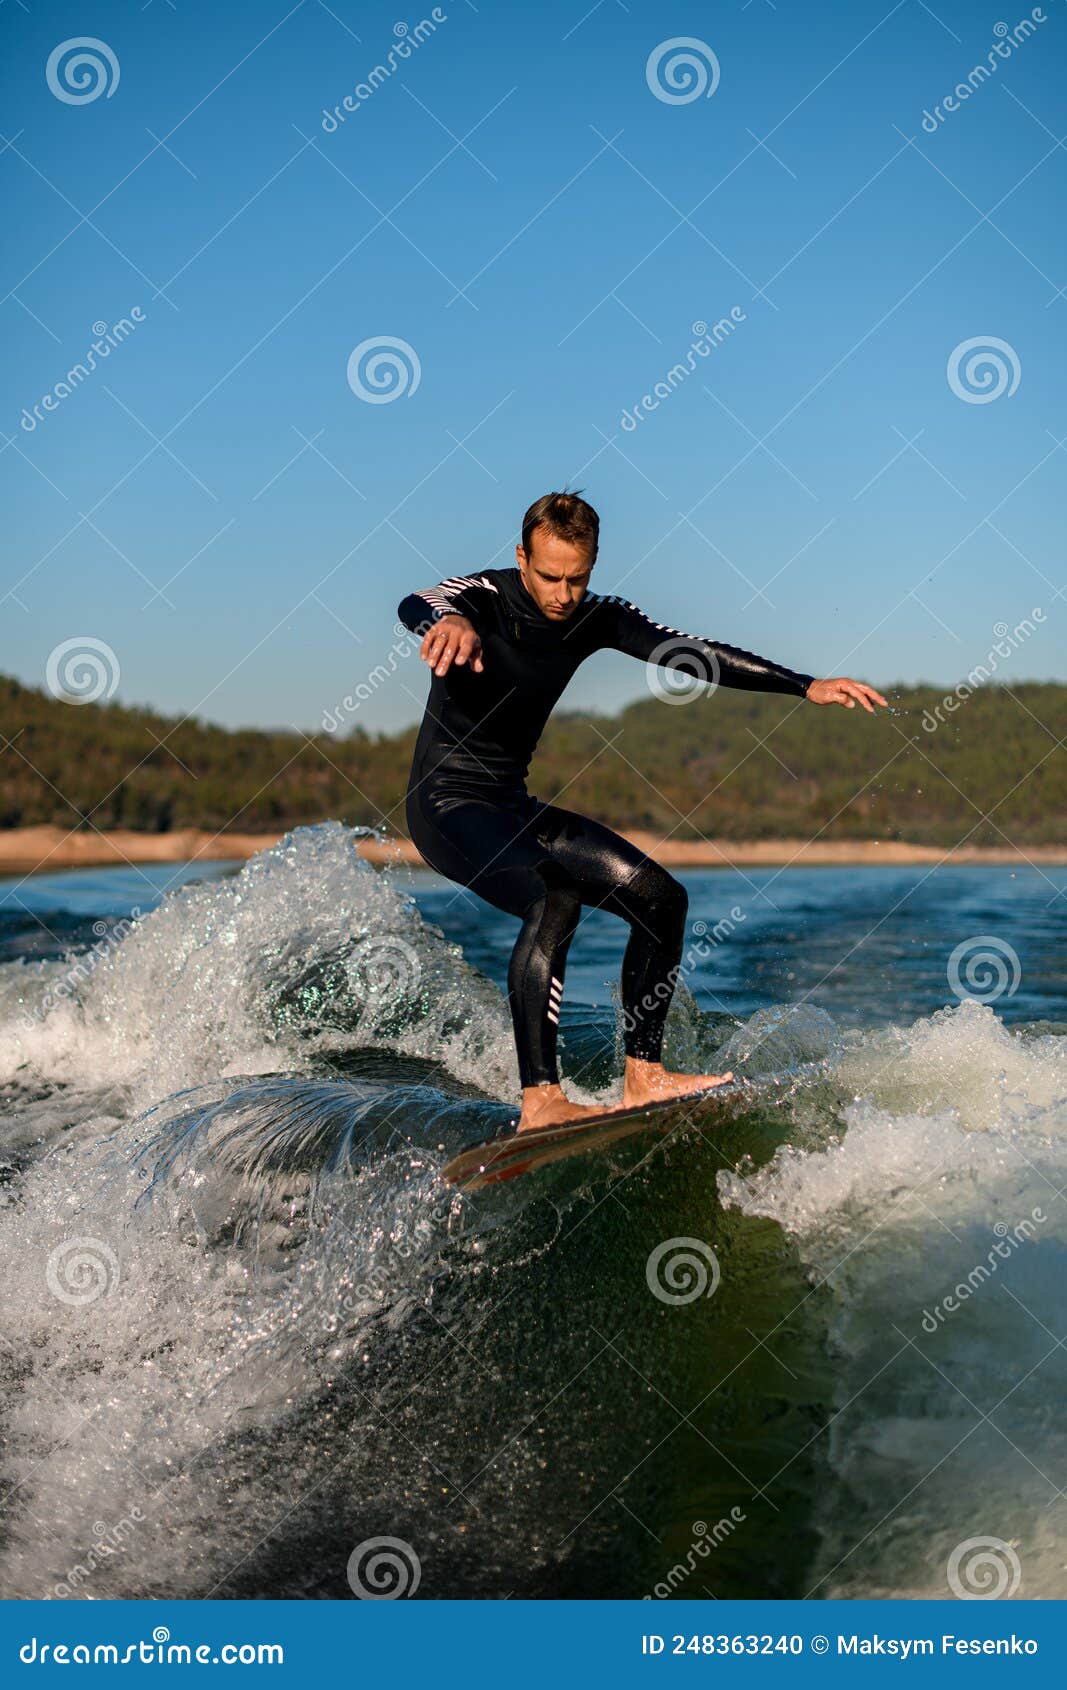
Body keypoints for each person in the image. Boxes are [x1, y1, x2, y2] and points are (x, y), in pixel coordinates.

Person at [397, 491, 887, 1131]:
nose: (561, 593)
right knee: (553, 900)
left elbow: (687, 648)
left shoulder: (594, 616)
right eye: (548, 576)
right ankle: (540, 1100)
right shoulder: (479, 596)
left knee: (661, 897)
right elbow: (419, 602)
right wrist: (448, 626)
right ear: (522, 557)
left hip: (512, 807)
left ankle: (644, 1075)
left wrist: (804, 685)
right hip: (445, 805)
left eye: (577, 578)